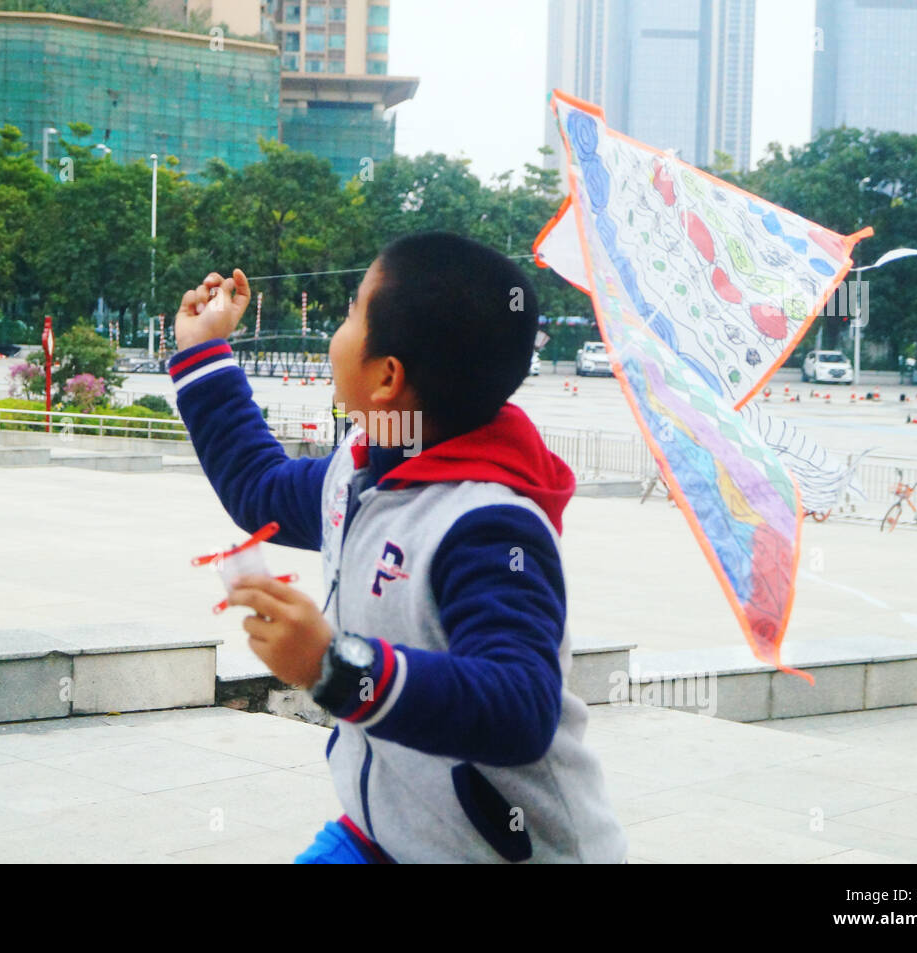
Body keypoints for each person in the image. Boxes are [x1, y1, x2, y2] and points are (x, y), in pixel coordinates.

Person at [169, 231, 627, 864]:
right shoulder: (359, 473)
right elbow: (260, 488)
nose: (338, 326)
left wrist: (337, 666)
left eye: (353, 311)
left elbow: (521, 706)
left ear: (387, 376)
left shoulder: (489, 527)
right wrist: (204, 352)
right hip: (386, 833)